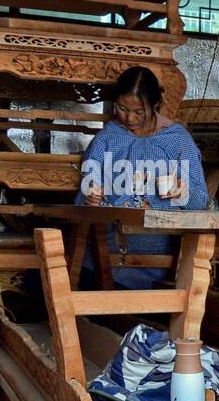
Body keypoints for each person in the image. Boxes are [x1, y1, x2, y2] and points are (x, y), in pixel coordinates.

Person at [75, 66, 208, 287]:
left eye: (139, 111)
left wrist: (182, 190)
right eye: (122, 108)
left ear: (155, 105)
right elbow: (82, 199)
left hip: (163, 260)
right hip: (105, 256)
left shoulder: (177, 140)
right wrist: (91, 198)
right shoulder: (106, 140)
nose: (129, 117)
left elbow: (201, 201)